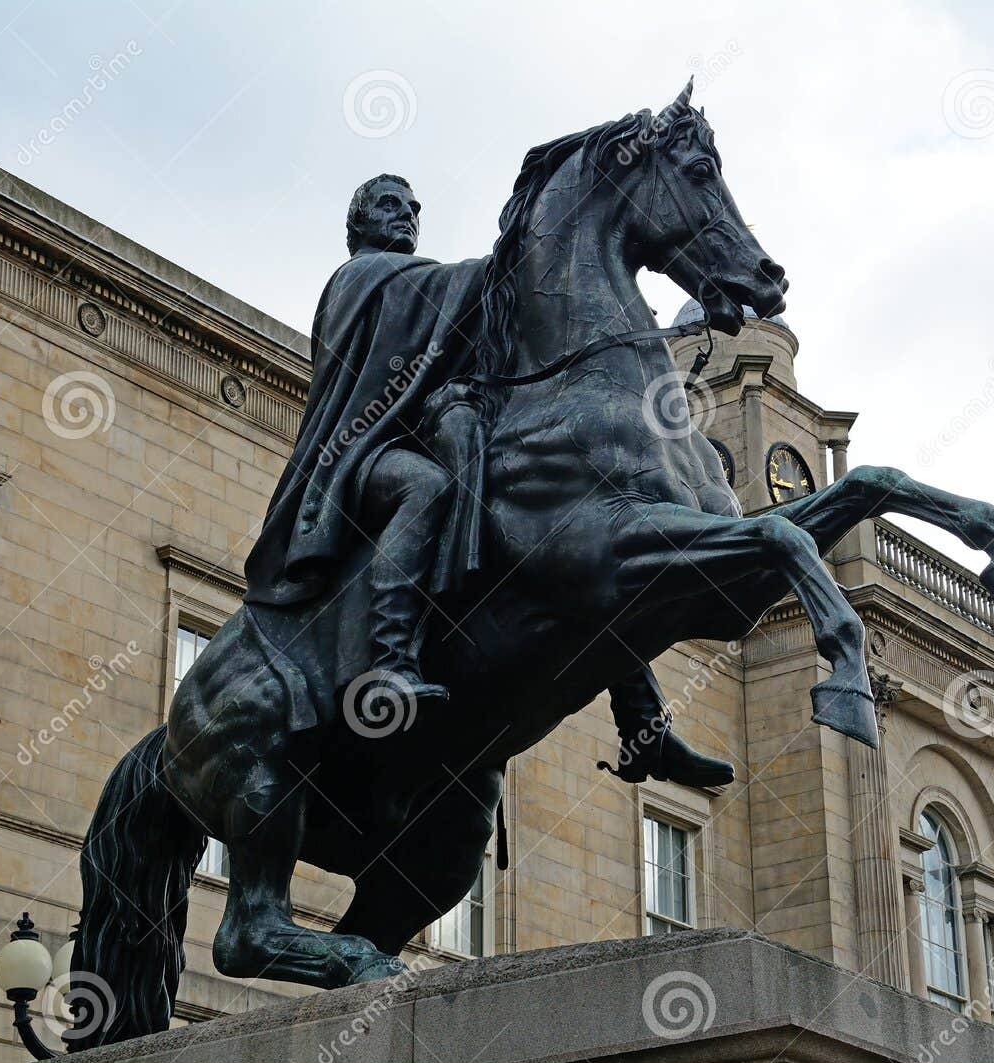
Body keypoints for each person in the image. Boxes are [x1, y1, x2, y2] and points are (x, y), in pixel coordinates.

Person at [243, 175, 734, 787]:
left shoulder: (422, 289)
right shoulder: (365, 279)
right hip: (361, 462)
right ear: (358, 225)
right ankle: (390, 659)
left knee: (581, 536)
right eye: (390, 206)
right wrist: (534, 247)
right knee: (426, 489)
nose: (407, 216)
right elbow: (444, 308)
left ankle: (643, 726)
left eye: (414, 208)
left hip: (435, 442)